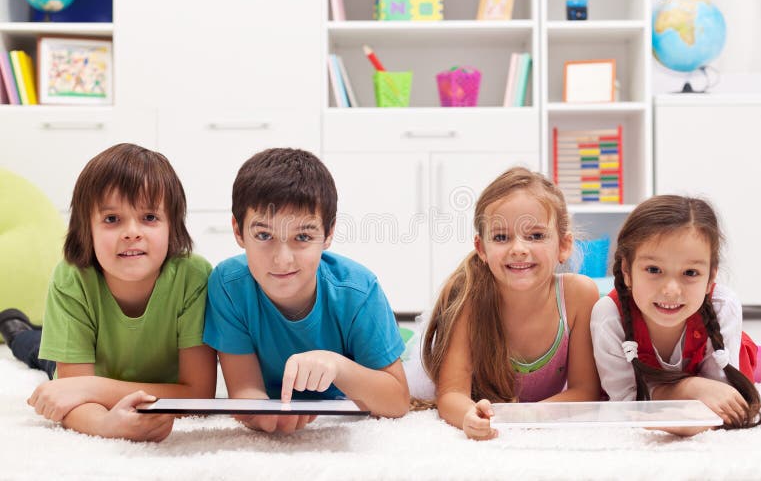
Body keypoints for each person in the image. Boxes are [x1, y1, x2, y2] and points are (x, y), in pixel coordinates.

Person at [0, 143, 216, 442]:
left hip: (95, 378)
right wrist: (106, 424)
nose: (132, 232)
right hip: (88, 362)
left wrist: (92, 388)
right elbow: (70, 395)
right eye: (112, 219)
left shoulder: (194, 276)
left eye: (150, 218)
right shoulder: (71, 278)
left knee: (54, 361)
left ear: (173, 227)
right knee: (37, 351)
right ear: (85, 229)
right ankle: (17, 330)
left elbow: (199, 396)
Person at [203, 148, 409, 434]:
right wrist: (263, 417)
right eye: (264, 235)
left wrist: (337, 366)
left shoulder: (359, 291)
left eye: (302, 237)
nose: (282, 259)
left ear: (329, 233)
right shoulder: (228, 285)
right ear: (238, 232)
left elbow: (397, 400)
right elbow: (245, 391)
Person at [420, 167, 602, 440]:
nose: (518, 248)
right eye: (502, 237)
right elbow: (451, 394)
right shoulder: (469, 297)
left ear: (563, 246)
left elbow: (586, 391)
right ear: (481, 248)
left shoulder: (579, 296)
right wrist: (468, 415)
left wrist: (528, 415)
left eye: (536, 236)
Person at [590, 195, 761, 436]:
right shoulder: (608, 315)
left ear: (711, 277)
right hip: (684, 372)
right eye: (654, 270)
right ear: (627, 271)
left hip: (727, 351)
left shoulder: (723, 306)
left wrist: (695, 415)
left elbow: (721, 394)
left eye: (690, 272)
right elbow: (625, 400)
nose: (671, 290)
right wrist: (691, 386)